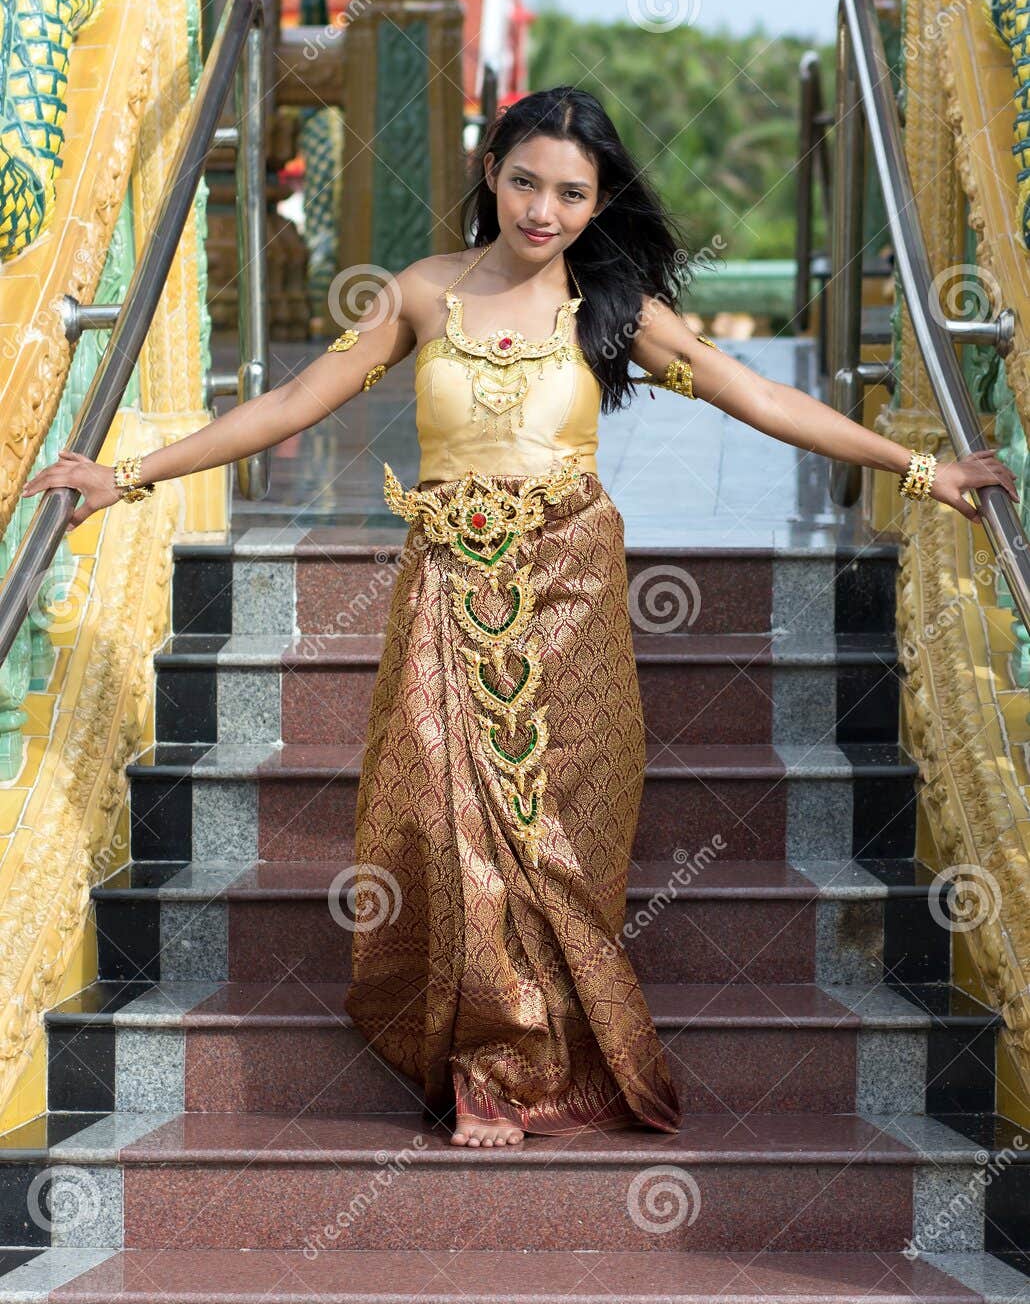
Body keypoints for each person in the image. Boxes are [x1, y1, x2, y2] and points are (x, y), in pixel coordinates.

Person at [23, 85, 1018, 1151]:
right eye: (526, 180)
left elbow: (754, 395)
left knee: (562, 838)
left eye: (573, 193)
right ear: (489, 170)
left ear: (598, 204)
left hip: (574, 590)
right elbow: (290, 403)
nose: (544, 209)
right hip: (450, 584)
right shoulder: (419, 293)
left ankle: (540, 1051)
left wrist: (924, 470)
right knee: (448, 824)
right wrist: (125, 474)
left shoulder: (613, 308)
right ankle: (485, 1061)